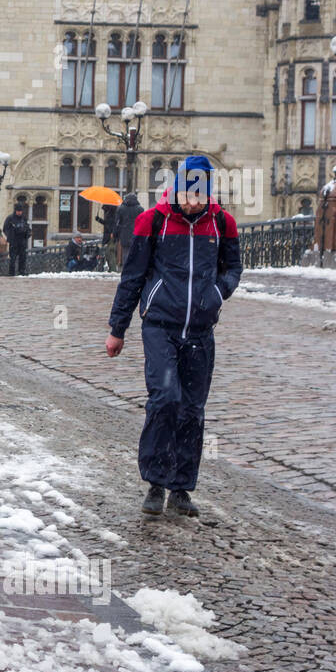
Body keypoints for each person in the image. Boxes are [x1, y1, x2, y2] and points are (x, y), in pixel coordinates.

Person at [105, 155, 242, 518]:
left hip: (200, 330)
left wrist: (218, 292)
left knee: (192, 410)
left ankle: (181, 488)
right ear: (177, 188)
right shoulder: (153, 221)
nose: (194, 201)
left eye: (201, 195)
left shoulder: (222, 223)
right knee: (165, 398)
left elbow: (234, 267)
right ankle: (155, 482)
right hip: (160, 326)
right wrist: (117, 329)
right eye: (188, 193)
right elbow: (132, 276)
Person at [114, 193, 144, 270]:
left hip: (124, 234)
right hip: (136, 234)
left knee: (125, 252)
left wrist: (116, 235)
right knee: (136, 253)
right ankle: (134, 269)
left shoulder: (121, 209)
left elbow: (117, 223)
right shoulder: (140, 209)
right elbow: (143, 223)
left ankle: (126, 269)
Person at [2, 204, 31, 276]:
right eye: (18, 211)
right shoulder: (10, 218)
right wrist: (10, 236)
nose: (19, 213)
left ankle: (21, 272)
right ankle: (11, 273)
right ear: (15, 211)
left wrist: (27, 234)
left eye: (20, 211)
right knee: (13, 258)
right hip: (14, 241)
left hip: (22, 241)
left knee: (22, 257)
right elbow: (5, 229)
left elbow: (27, 228)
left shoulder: (24, 218)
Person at [96, 204, 119, 272]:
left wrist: (112, 232)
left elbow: (110, 224)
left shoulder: (112, 214)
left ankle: (113, 269)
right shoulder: (110, 213)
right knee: (108, 252)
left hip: (110, 236)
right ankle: (111, 268)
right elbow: (107, 223)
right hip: (108, 234)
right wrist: (99, 219)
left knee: (109, 252)